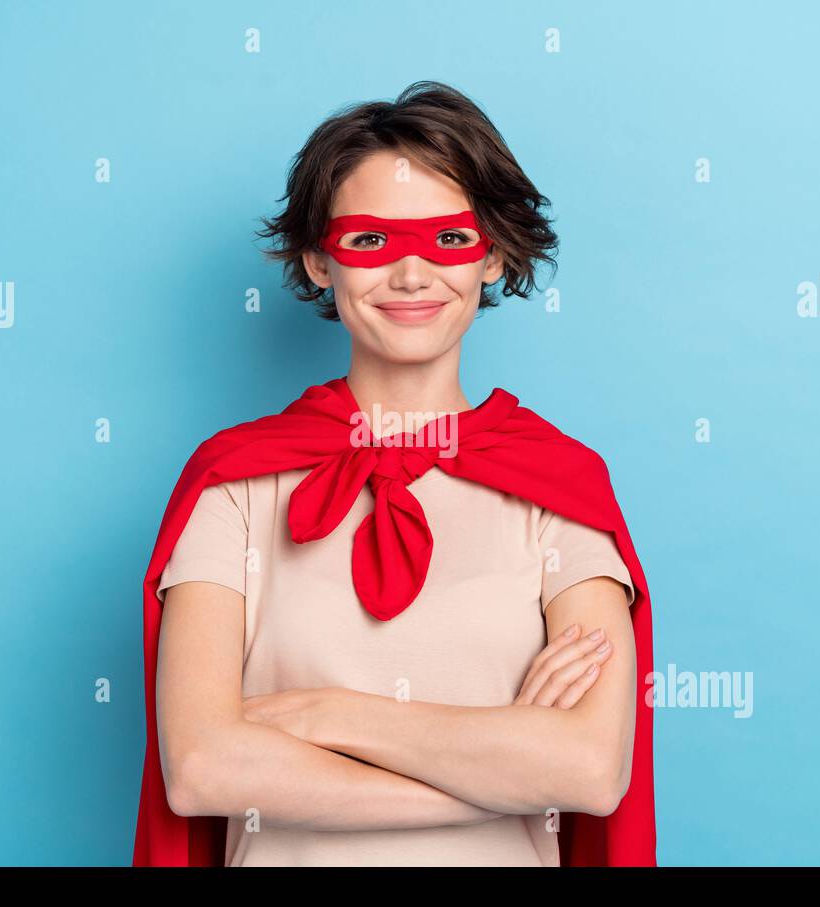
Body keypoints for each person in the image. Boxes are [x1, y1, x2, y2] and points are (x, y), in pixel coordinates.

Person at [139, 81, 649, 866]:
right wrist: (500, 769)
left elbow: (588, 769)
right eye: (370, 242)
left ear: (496, 255)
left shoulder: (560, 486)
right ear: (317, 259)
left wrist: (324, 715)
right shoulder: (232, 485)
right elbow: (203, 770)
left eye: (448, 239)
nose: (411, 275)